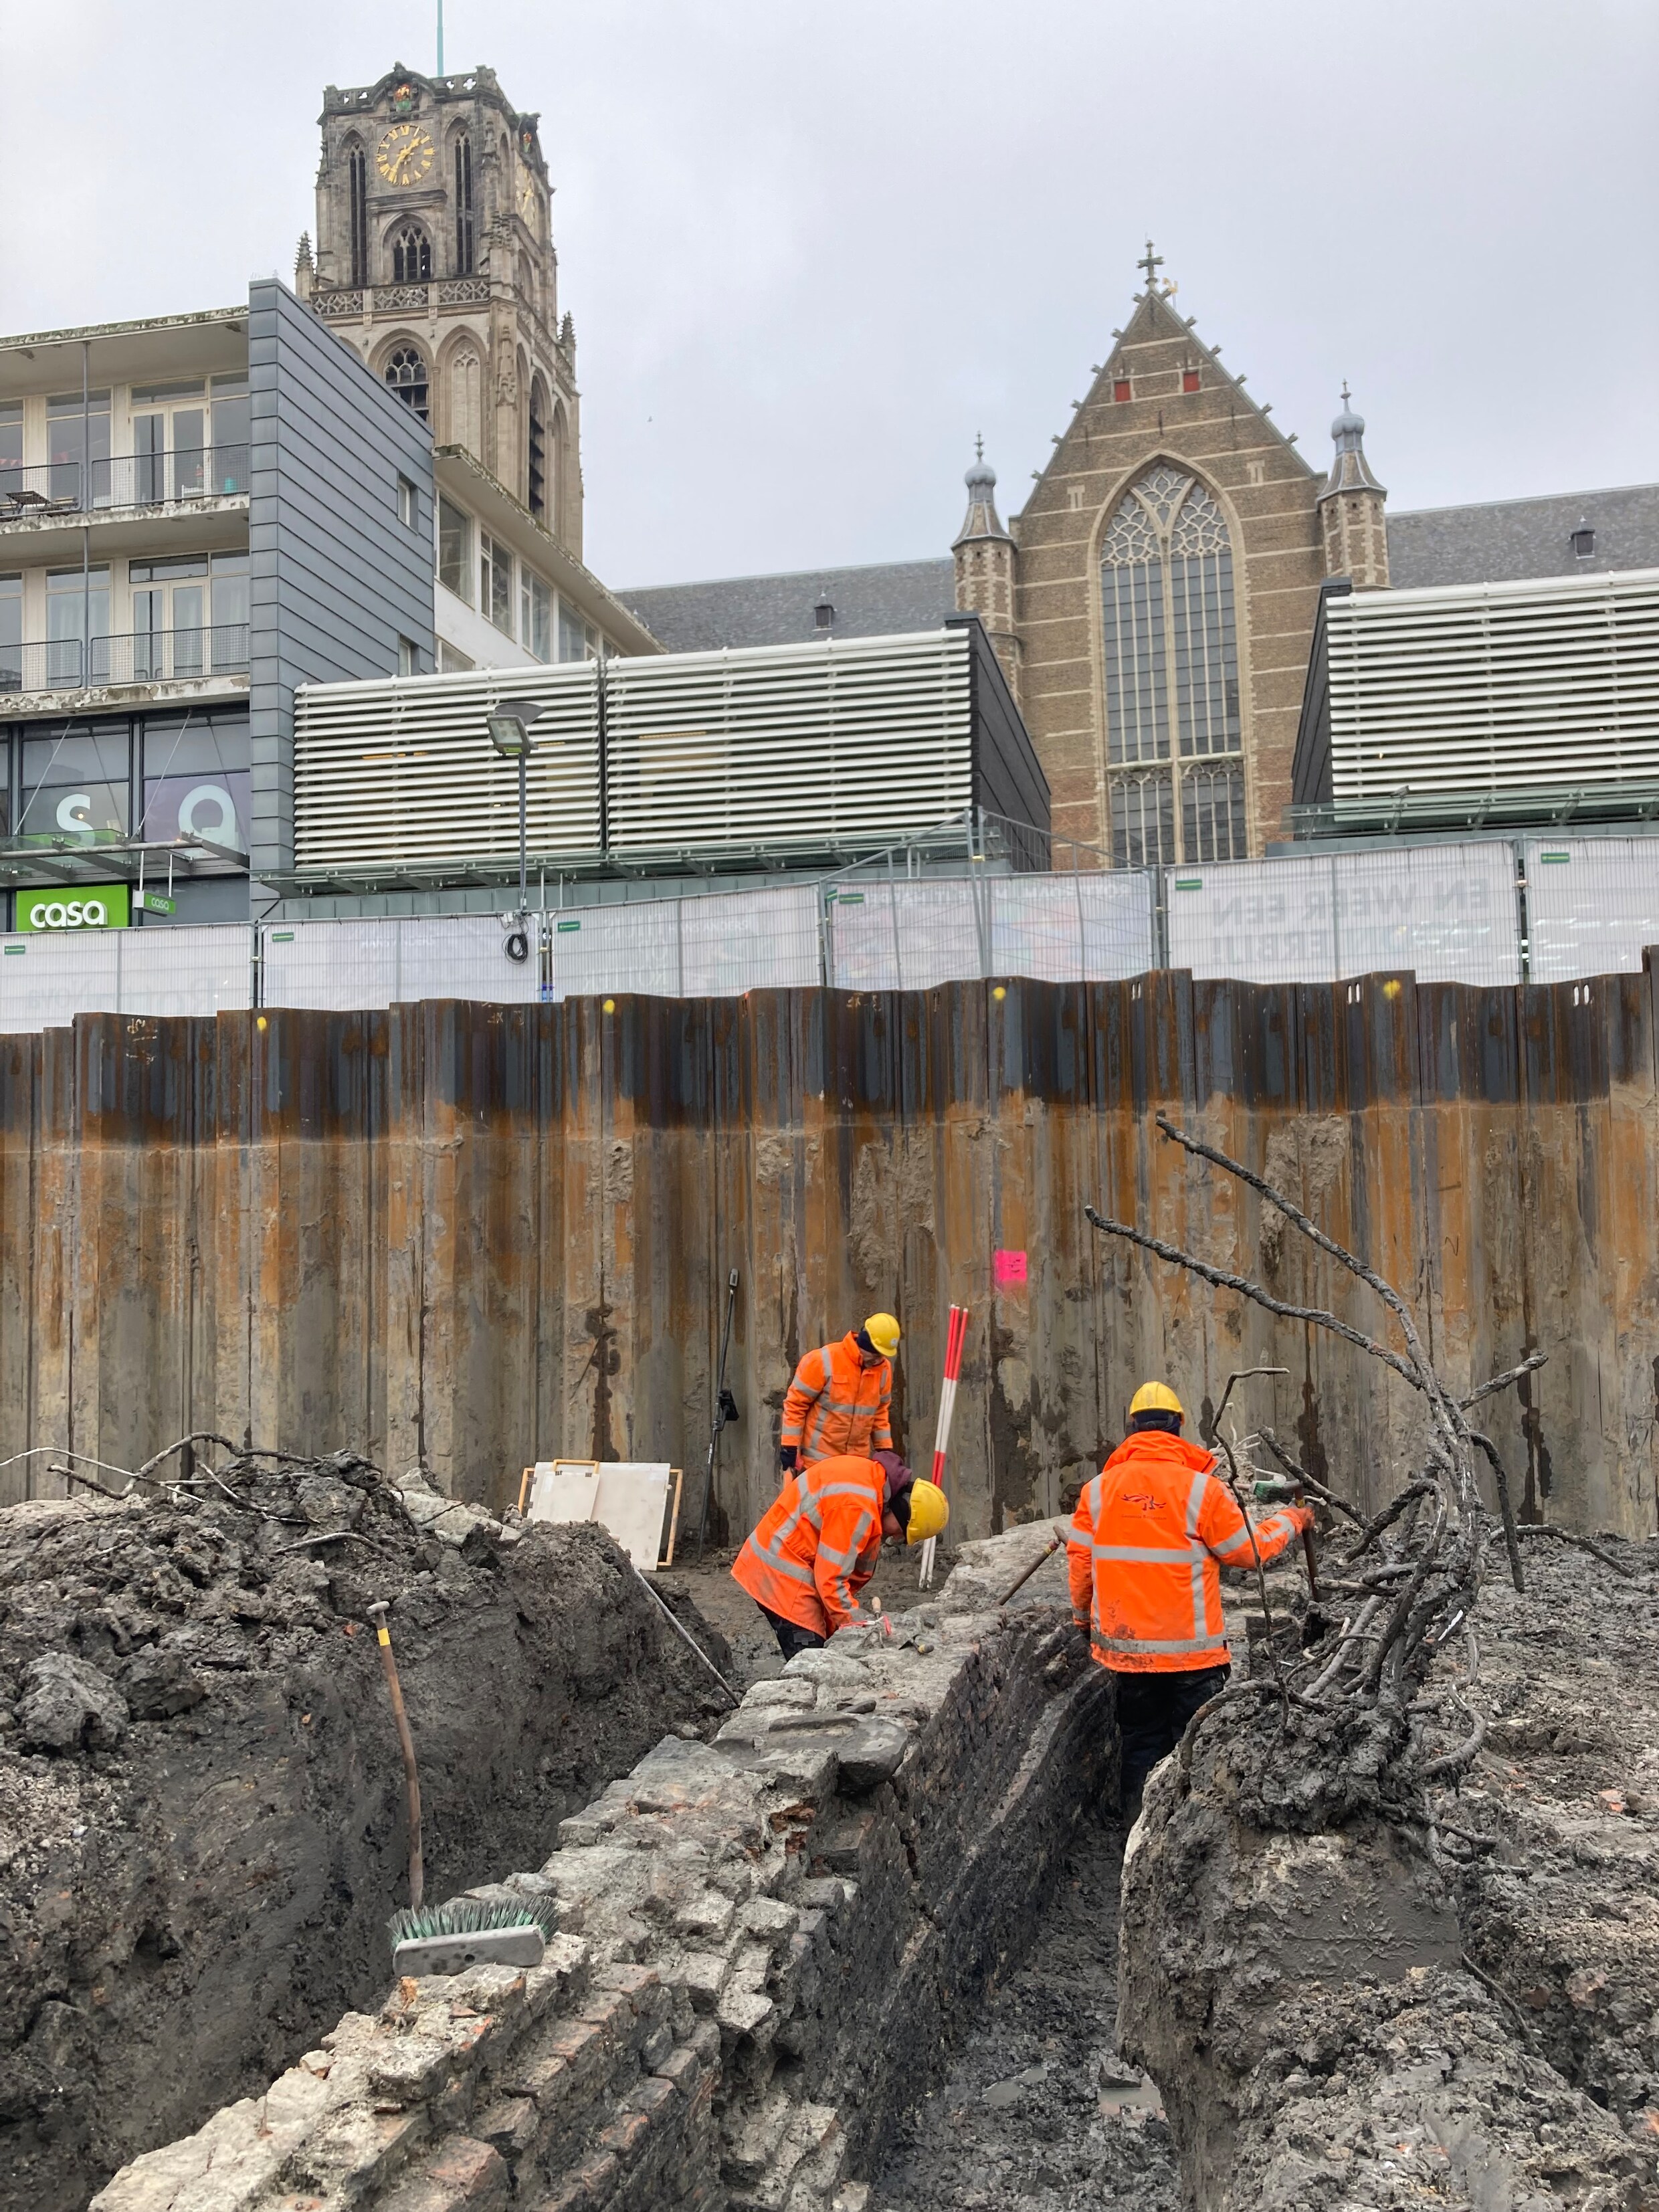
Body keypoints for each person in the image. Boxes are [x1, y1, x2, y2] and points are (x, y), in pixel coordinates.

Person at [1069, 1380, 1313, 1821]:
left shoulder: (1099, 1491)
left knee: (1140, 1744)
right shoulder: (1202, 1491)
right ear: (1178, 1427)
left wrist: (1083, 1621)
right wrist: (1292, 1520)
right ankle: (1188, 1840)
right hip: (1194, 1659)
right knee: (1196, 1749)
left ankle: (1137, 1834)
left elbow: (1082, 1565)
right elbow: (1248, 1551)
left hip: (1128, 1655)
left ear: (1133, 1429)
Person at [733, 1447, 949, 1657]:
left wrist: (839, 1623)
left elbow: (838, 1571)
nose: (897, 1538)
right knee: (812, 1660)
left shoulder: (870, 1484)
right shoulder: (859, 1505)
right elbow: (831, 1579)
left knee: (822, 1645)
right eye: (903, 1532)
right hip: (781, 1574)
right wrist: (858, 1622)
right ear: (902, 1513)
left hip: (784, 1563)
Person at [779, 1314, 900, 1474]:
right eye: (877, 1355)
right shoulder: (823, 1360)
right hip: (818, 1464)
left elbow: (880, 1413)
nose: (879, 1360)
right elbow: (796, 1404)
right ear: (866, 1345)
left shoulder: (883, 1370)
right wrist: (790, 1446)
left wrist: (884, 1450)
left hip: (856, 1465)